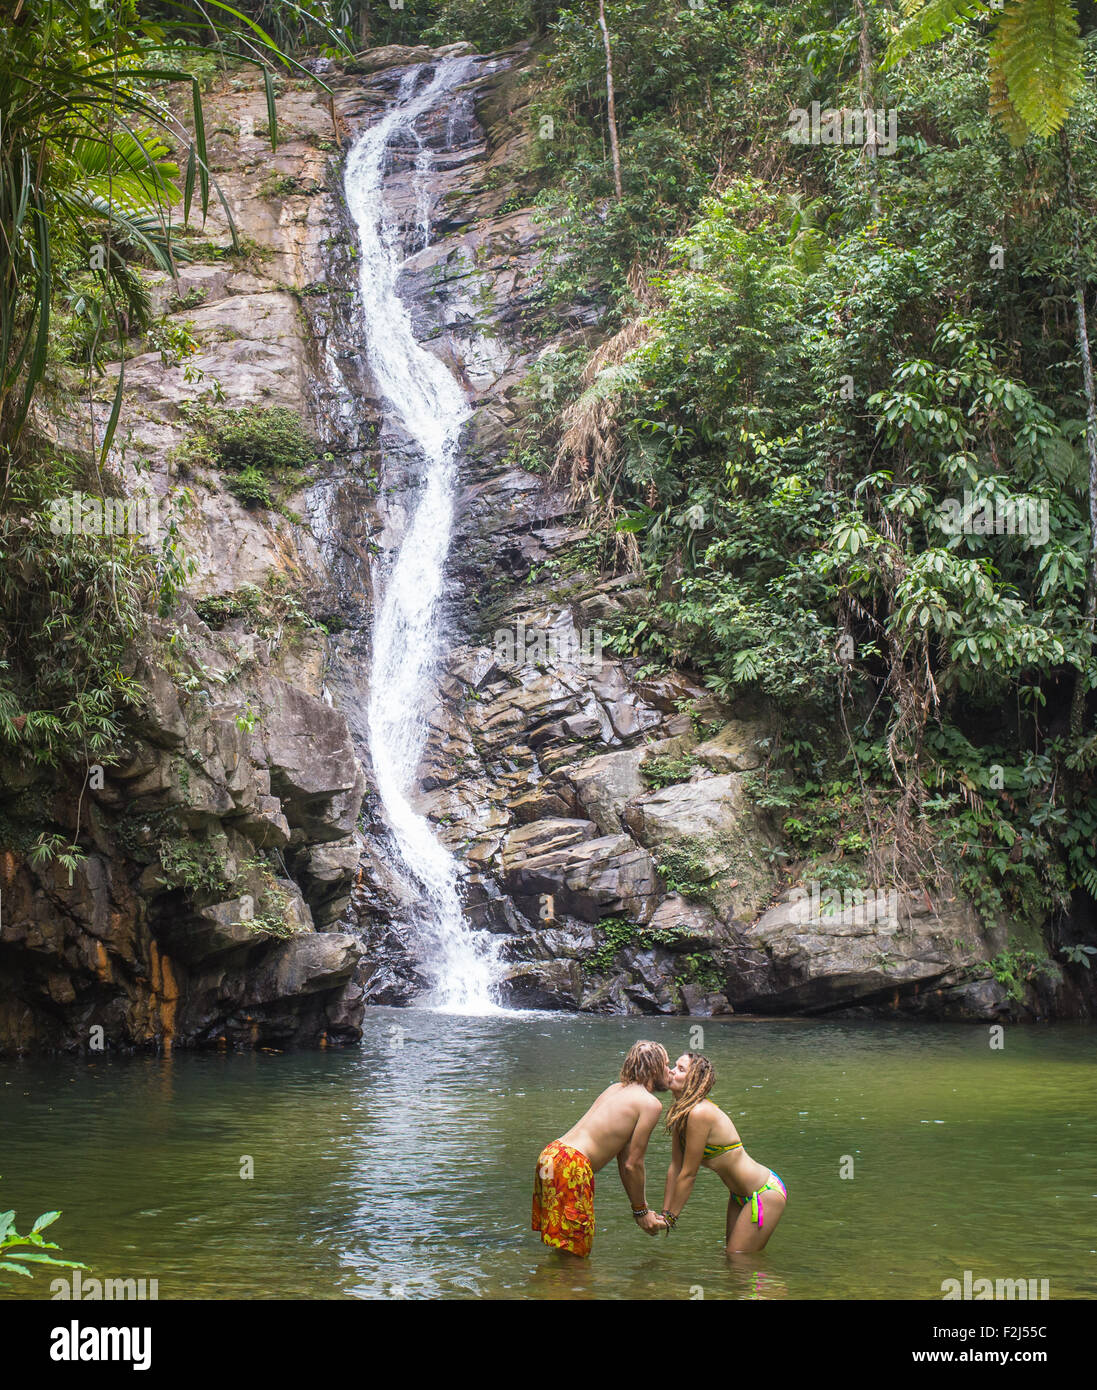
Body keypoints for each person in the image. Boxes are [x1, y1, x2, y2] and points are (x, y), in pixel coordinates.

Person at [532, 1040, 671, 1257]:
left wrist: (639, 1209)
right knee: (576, 1253)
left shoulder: (614, 1089)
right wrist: (641, 1212)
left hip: (551, 1155)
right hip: (571, 1165)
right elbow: (633, 1164)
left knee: (564, 1246)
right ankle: (569, 1288)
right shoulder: (650, 1104)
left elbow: (624, 1160)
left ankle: (552, 1287)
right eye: (666, 1065)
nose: (669, 1071)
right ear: (654, 1069)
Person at [660, 1051, 787, 1253]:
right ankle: (759, 1285)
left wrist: (671, 1218)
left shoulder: (700, 1113)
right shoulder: (681, 1113)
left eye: (680, 1069)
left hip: (764, 1194)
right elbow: (675, 1167)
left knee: (737, 1260)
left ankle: (775, 1286)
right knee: (737, 1263)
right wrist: (664, 1213)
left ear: (694, 1079)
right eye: (674, 1066)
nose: (671, 1071)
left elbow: (689, 1174)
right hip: (738, 1195)